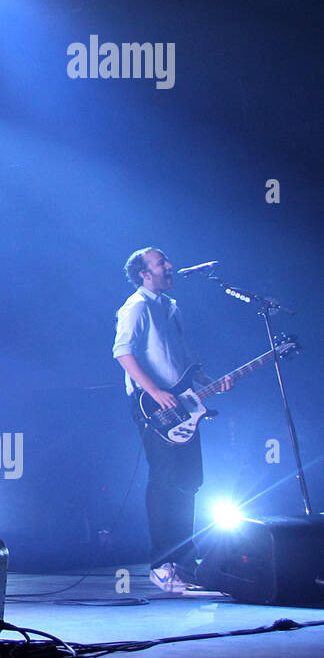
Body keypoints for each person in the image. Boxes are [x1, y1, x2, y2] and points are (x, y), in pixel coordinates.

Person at [113, 247, 232, 593]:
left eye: (167, 260)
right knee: (165, 481)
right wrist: (153, 392)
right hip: (155, 407)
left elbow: (184, 360)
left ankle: (184, 561)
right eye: (161, 262)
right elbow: (123, 352)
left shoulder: (171, 307)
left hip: (184, 403)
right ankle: (161, 565)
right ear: (144, 274)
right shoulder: (136, 306)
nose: (170, 266)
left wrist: (209, 382)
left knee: (188, 480)